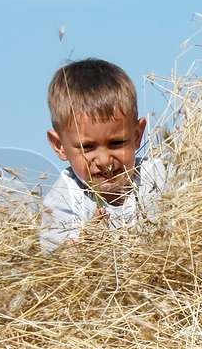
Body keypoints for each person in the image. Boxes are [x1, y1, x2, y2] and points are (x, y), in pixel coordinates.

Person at [40, 58, 168, 251]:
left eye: (116, 143)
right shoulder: (63, 200)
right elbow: (55, 264)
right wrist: (82, 248)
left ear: (137, 135)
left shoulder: (159, 176)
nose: (105, 161)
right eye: (88, 147)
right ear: (59, 146)